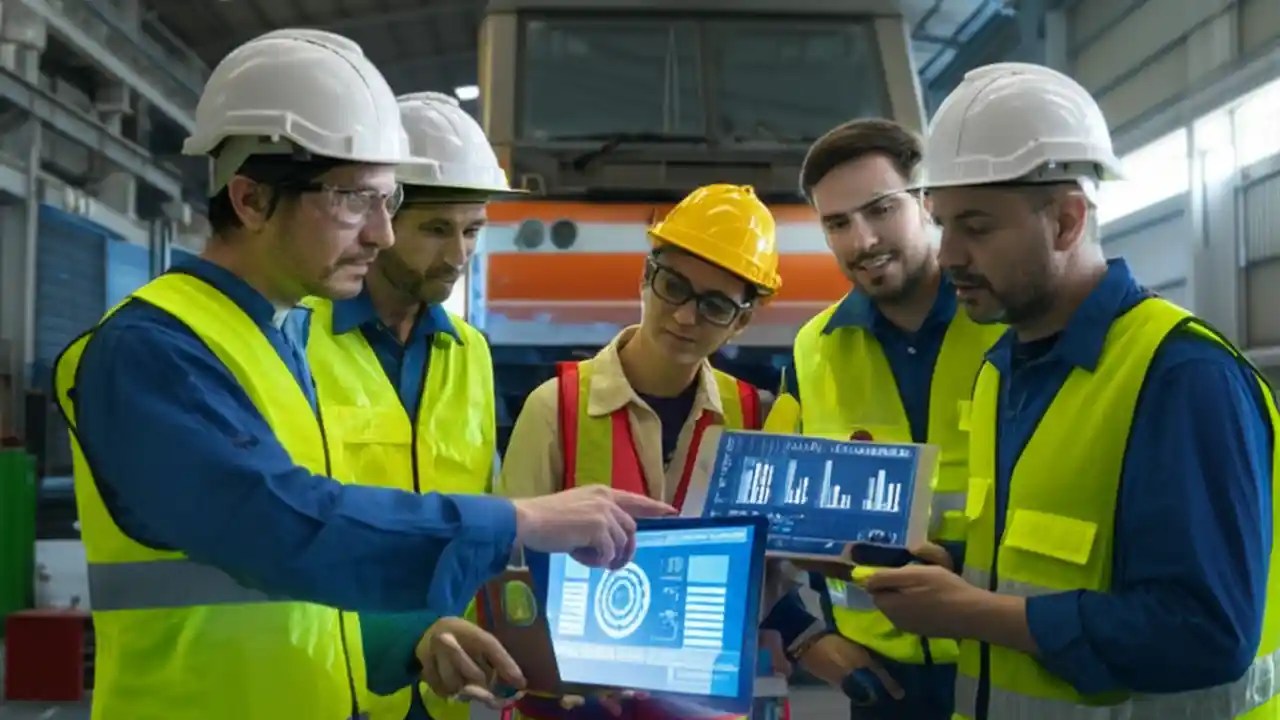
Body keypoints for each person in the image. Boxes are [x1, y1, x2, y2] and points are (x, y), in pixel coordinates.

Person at [50, 29, 672, 720]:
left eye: (388, 201)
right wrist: (517, 520)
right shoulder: (151, 349)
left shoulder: (272, 338)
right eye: (353, 199)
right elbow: (285, 527)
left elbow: (307, 593)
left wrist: (413, 638)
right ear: (252, 199)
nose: (379, 234)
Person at [860, 61, 1279, 719]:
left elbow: (1208, 632)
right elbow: (1055, 558)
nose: (948, 256)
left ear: (1066, 221)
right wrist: (954, 565)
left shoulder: (1183, 378)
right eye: (941, 224)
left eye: (977, 226)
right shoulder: (1003, 370)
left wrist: (979, 612)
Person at [498, 183, 815, 719]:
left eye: (715, 305)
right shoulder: (556, 408)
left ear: (742, 319)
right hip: (575, 705)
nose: (686, 317)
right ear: (645, 278)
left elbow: (773, 575)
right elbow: (509, 571)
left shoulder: (754, 418)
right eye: (674, 286)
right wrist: (552, 675)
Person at [765, 119, 1006, 719]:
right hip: (884, 686)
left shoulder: (1011, 328)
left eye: (880, 210)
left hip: (1012, 661)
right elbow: (765, 519)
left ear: (927, 203)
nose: (863, 240)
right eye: (837, 224)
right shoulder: (812, 349)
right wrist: (806, 638)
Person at [300, 90, 521, 720]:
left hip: (447, 691)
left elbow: (484, 510)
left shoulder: (471, 352)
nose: (457, 255)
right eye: (435, 229)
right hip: (333, 680)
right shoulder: (295, 338)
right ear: (381, 218)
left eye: (472, 230)